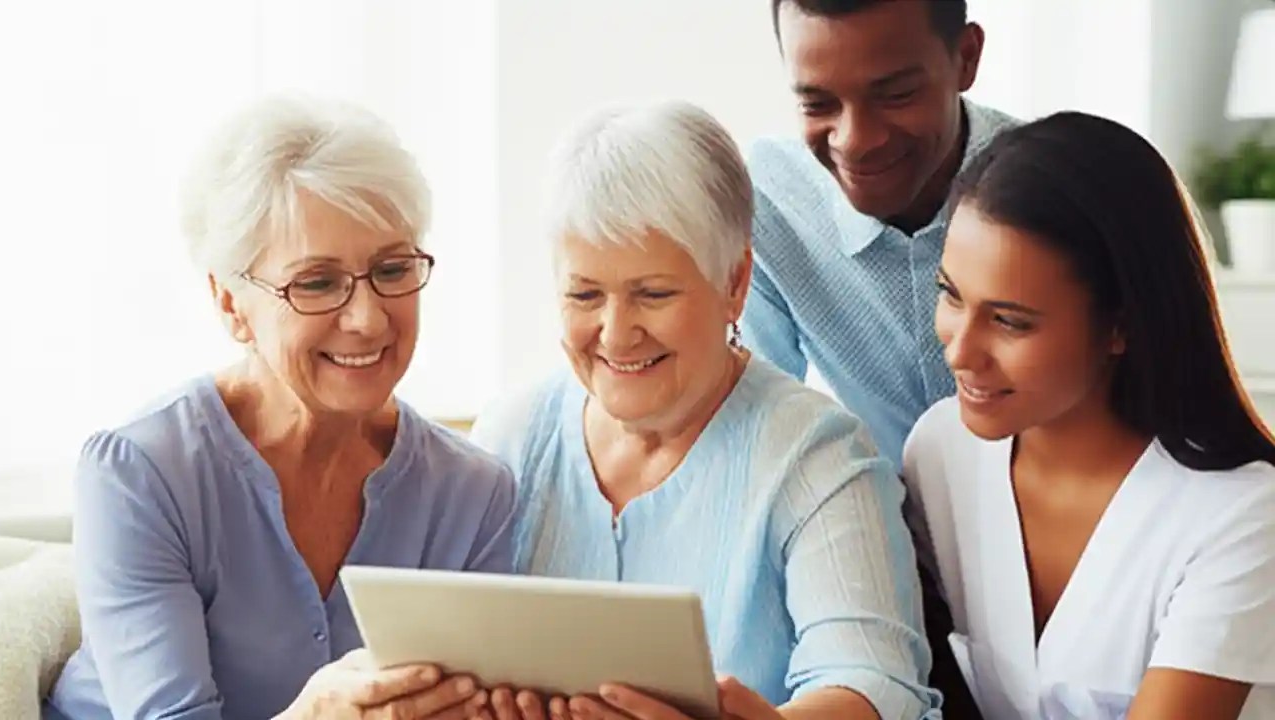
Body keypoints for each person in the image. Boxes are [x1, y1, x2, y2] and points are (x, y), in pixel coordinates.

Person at [45, 96, 514, 720]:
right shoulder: (141, 473)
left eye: (392, 269)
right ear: (231, 305)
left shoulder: (473, 495)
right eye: (317, 282)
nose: (367, 318)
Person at [471, 100, 938, 720]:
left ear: (735, 282)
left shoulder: (817, 455)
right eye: (584, 294)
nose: (615, 334)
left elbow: (875, 686)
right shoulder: (513, 435)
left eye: (653, 294)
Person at [902, 111, 1275, 719]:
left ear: (1120, 325)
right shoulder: (943, 451)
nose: (959, 350)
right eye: (951, 295)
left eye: (1009, 321)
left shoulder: (1241, 514)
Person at [743, 0, 1017, 470]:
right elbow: (754, 430)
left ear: (966, 58)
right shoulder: (767, 204)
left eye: (897, 95)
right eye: (817, 104)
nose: (855, 141)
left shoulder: (1063, 196)